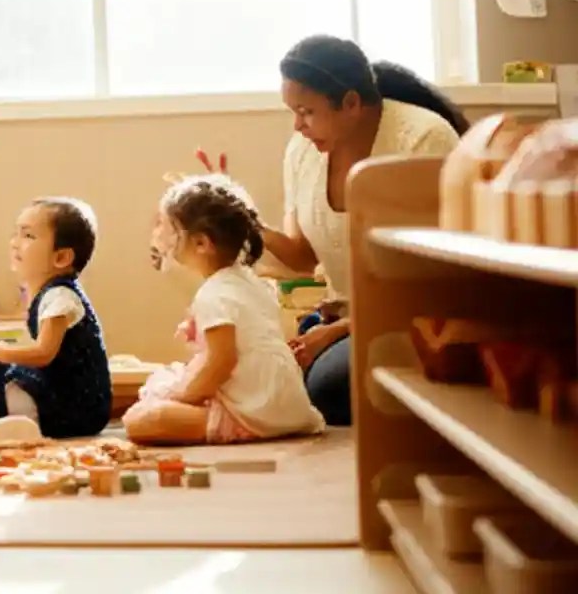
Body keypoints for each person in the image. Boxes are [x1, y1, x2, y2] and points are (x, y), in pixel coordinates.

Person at [196, 34, 465, 426]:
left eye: (306, 112)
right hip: (343, 317)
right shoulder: (303, 151)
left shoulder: (423, 140)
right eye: (293, 112)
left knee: (325, 389)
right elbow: (302, 257)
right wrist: (239, 214)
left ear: (352, 103)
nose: (297, 126)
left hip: (413, 316)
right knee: (262, 376)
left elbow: (431, 280)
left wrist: (337, 331)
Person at [125, 176, 325, 445]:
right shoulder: (249, 280)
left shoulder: (214, 294)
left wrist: (182, 398)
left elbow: (221, 362)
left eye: (168, 228)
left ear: (201, 244)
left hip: (254, 413)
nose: (160, 236)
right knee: (167, 384)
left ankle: (228, 426)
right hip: (285, 405)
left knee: (141, 419)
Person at [0, 197, 112, 438]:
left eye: (28, 236)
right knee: (2, 369)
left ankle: (26, 430)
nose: (15, 243)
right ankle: (3, 422)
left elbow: (43, 353)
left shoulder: (60, 297)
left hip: (79, 406)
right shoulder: (47, 295)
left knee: (15, 374)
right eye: (16, 234)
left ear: (61, 258)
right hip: (63, 393)